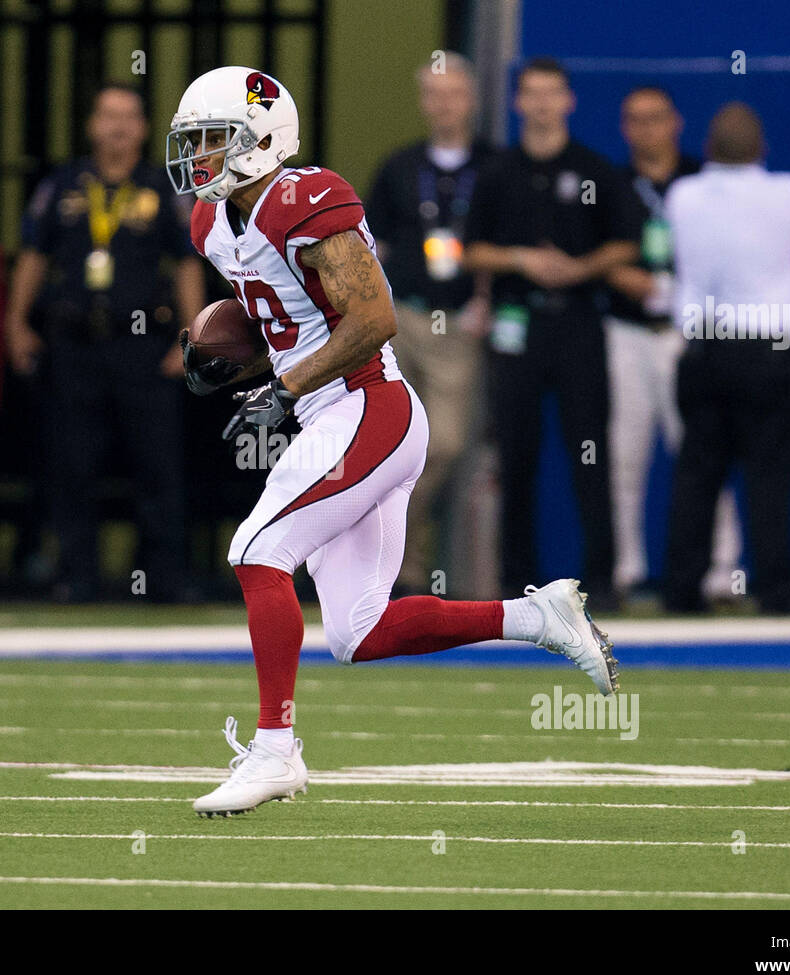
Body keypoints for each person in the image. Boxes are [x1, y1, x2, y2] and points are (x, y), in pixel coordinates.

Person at [168, 65, 619, 818]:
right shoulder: (211, 224)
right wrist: (241, 362)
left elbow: (373, 319)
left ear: (263, 139)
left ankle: (276, 751)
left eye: (215, 140)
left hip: (370, 407)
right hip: (330, 414)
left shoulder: (306, 197)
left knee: (256, 551)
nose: (201, 157)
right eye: (195, 142)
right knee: (358, 630)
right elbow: (292, 318)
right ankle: (539, 617)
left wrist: (283, 388)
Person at [7, 84, 204, 603]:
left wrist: (191, 335)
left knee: (157, 464)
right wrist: (14, 321)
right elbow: (32, 254)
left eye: (129, 117)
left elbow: (186, 263)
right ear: (92, 124)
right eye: (108, 116)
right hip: (73, 343)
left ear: (143, 128)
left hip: (144, 346)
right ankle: (77, 577)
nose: (118, 127)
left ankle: (164, 579)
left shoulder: (165, 188)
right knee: (72, 464)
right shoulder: (63, 185)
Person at [463, 57, 642, 612]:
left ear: (568, 101)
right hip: (518, 327)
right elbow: (470, 248)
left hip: (578, 325)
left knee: (590, 453)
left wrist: (580, 268)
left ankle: (602, 582)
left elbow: (627, 241)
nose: (542, 104)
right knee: (516, 454)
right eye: (531, 94)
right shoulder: (497, 172)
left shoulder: (594, 171)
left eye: (552, 93)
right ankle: (520, 586)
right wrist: (520, 259)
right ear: (518, 103)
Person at [661, 103, 790, 614]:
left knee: (698, 475)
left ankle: (681, 591)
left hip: (705, 352)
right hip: (767, 355)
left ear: (708, 149)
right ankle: (777, 591)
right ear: (763, 150)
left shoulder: (682, 195)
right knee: (768, 477)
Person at [605, 84, 741, 601]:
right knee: (623, 455)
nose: (646, 129)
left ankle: (723, 568)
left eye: (655, 118)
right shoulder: (612, 183)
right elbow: (594, 253)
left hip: (690, 335)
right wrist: (622, 276)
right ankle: (625, 570)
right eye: (635, 119)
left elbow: (729, 253)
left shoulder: (704, 183)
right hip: (628, 331)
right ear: (624, 127)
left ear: (675, 122)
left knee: (703, 450)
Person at [365, 54, 495, 596]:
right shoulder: (398, 167)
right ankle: (403, 574)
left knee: (443, 444)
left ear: (472, 99)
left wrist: (486, 299)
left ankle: (392, 551)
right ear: (422, 102)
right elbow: (372, 247)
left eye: (455, 93)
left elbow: (499, 241)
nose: (445, 104)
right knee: (392, 447)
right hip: (402, 320)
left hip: (458, 325)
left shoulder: (494, 165)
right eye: (434, 94)